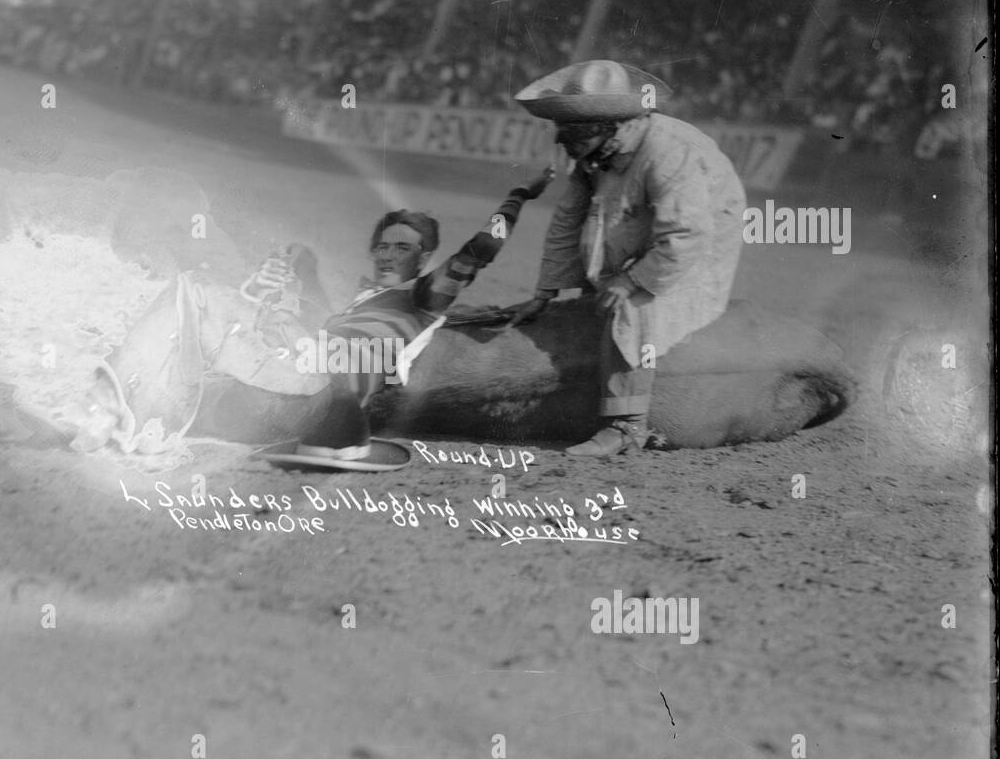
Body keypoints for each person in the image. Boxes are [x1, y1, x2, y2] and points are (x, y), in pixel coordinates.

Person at [504, 59, 746, 457]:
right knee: (596, 276)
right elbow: (569, 219)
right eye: (561, 130)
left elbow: (688, 233)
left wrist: (632, 280)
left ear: (607, 126)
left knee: (633, 307)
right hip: (650, 219)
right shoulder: (591, 154)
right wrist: (546, 290)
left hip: (703, 230)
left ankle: (627, 426)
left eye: (572, 131)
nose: (562, 139)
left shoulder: (667, 152)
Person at [251, 166, 556, 470]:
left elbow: (485, 246)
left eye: (402, 248)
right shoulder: (366, 301)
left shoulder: (425, 294)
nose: (388, 256)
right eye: (383, 247)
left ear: (423, 258)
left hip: (320, 384)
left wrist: (519, 196)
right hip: (307, 370)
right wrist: (293, 272)